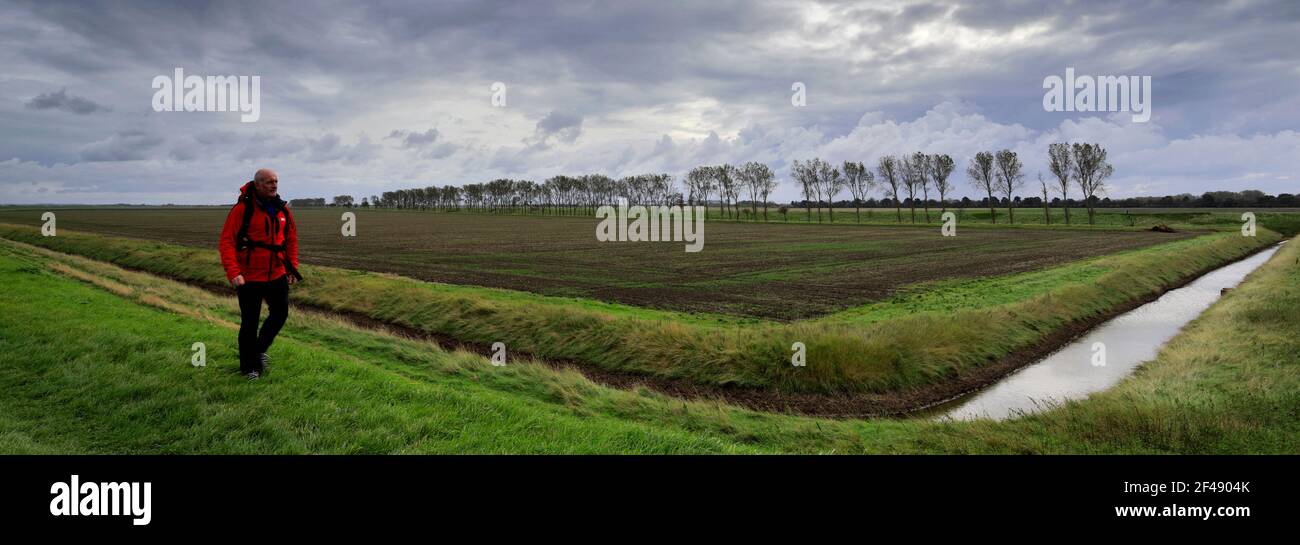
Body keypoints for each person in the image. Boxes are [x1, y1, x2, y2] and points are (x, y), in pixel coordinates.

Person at [218, 168, 300, 380]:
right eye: (268, 182)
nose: (274, 185)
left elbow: (290, 239)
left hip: (277, 273)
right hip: (249, 276)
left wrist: (291, 267)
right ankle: (249, 368)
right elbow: (226, 241)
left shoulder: (283, 210)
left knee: (280, 313)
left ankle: (257, 351)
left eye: (276, 181)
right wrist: (233, 272)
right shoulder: (242, 209)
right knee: (250, 323)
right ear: (257, 184)